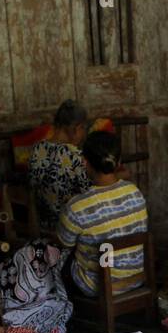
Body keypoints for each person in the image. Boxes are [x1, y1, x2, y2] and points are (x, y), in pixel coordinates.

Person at [58, 131, 148, 298]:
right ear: (119, 162)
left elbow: (64, 244)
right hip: (137, 280)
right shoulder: (135, 192)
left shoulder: (76, 206)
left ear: (85, 163)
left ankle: (67, 313)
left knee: (61, 259)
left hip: (98, 287)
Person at [29, 100, 92, 230]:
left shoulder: (37, 148)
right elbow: (89, 193)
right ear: (77, 128)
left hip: (43, 225)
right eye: (83, 129)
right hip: (67, 228)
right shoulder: (73, 155)